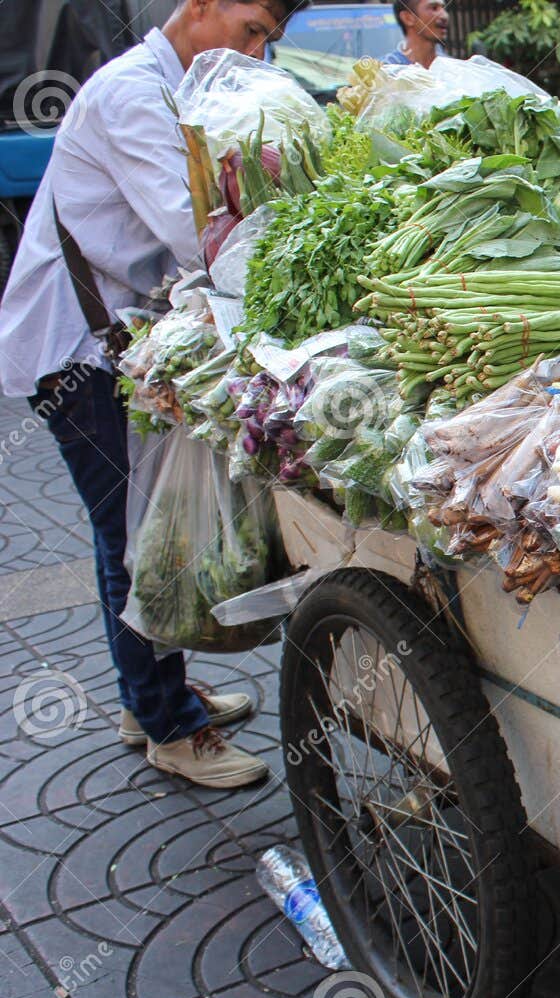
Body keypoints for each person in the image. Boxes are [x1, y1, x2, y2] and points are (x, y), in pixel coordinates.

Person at [0, 0, 308, 788]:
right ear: (200, 4)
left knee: (135, 527)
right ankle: (170, 725)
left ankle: (152, 696)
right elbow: (191, 228)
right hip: (75, 352)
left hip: (119, 345)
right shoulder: (133, 95)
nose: (259, 52)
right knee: (131, 537)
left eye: (269, 41)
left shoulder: (187, 89)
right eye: (251, 31)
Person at [383, 0, 450, 68]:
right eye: (434, 8)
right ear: (408, 18)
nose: (445, 16)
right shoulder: (385, 72)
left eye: (443, 8)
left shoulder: (452, 69)